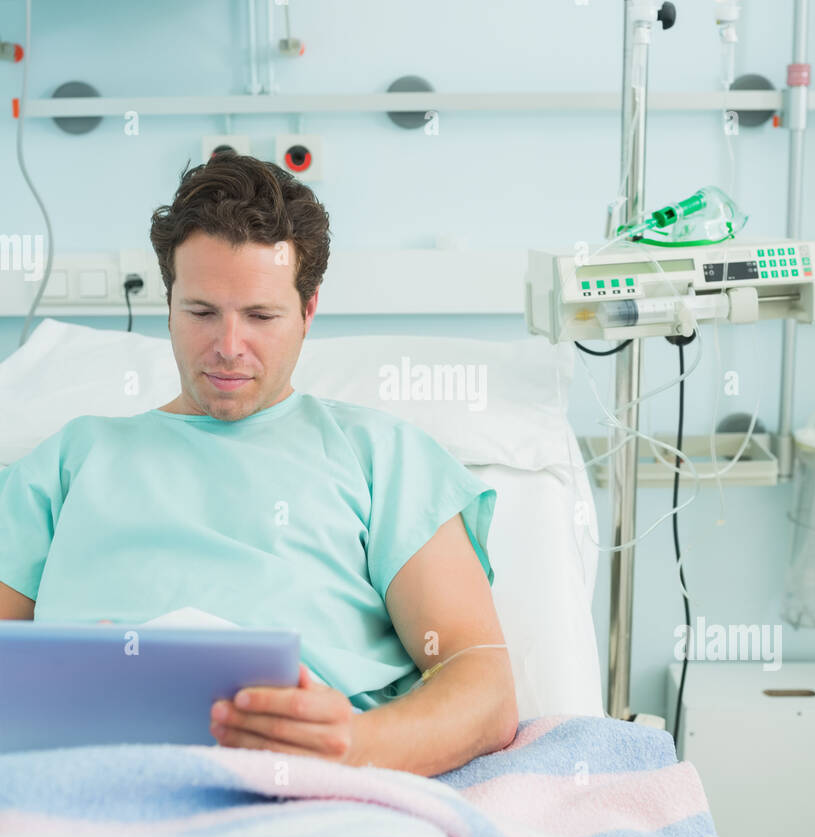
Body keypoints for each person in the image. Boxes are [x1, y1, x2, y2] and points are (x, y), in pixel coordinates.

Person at [0, 155, 518, 776]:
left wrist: (353, 746)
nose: (227, 346)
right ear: (168, 304)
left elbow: (480, 682)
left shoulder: (383, 459)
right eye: (200, 312)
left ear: (308, 310)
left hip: (308, 785)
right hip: (74, 775)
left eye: (261, 316)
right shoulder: (66, 464)